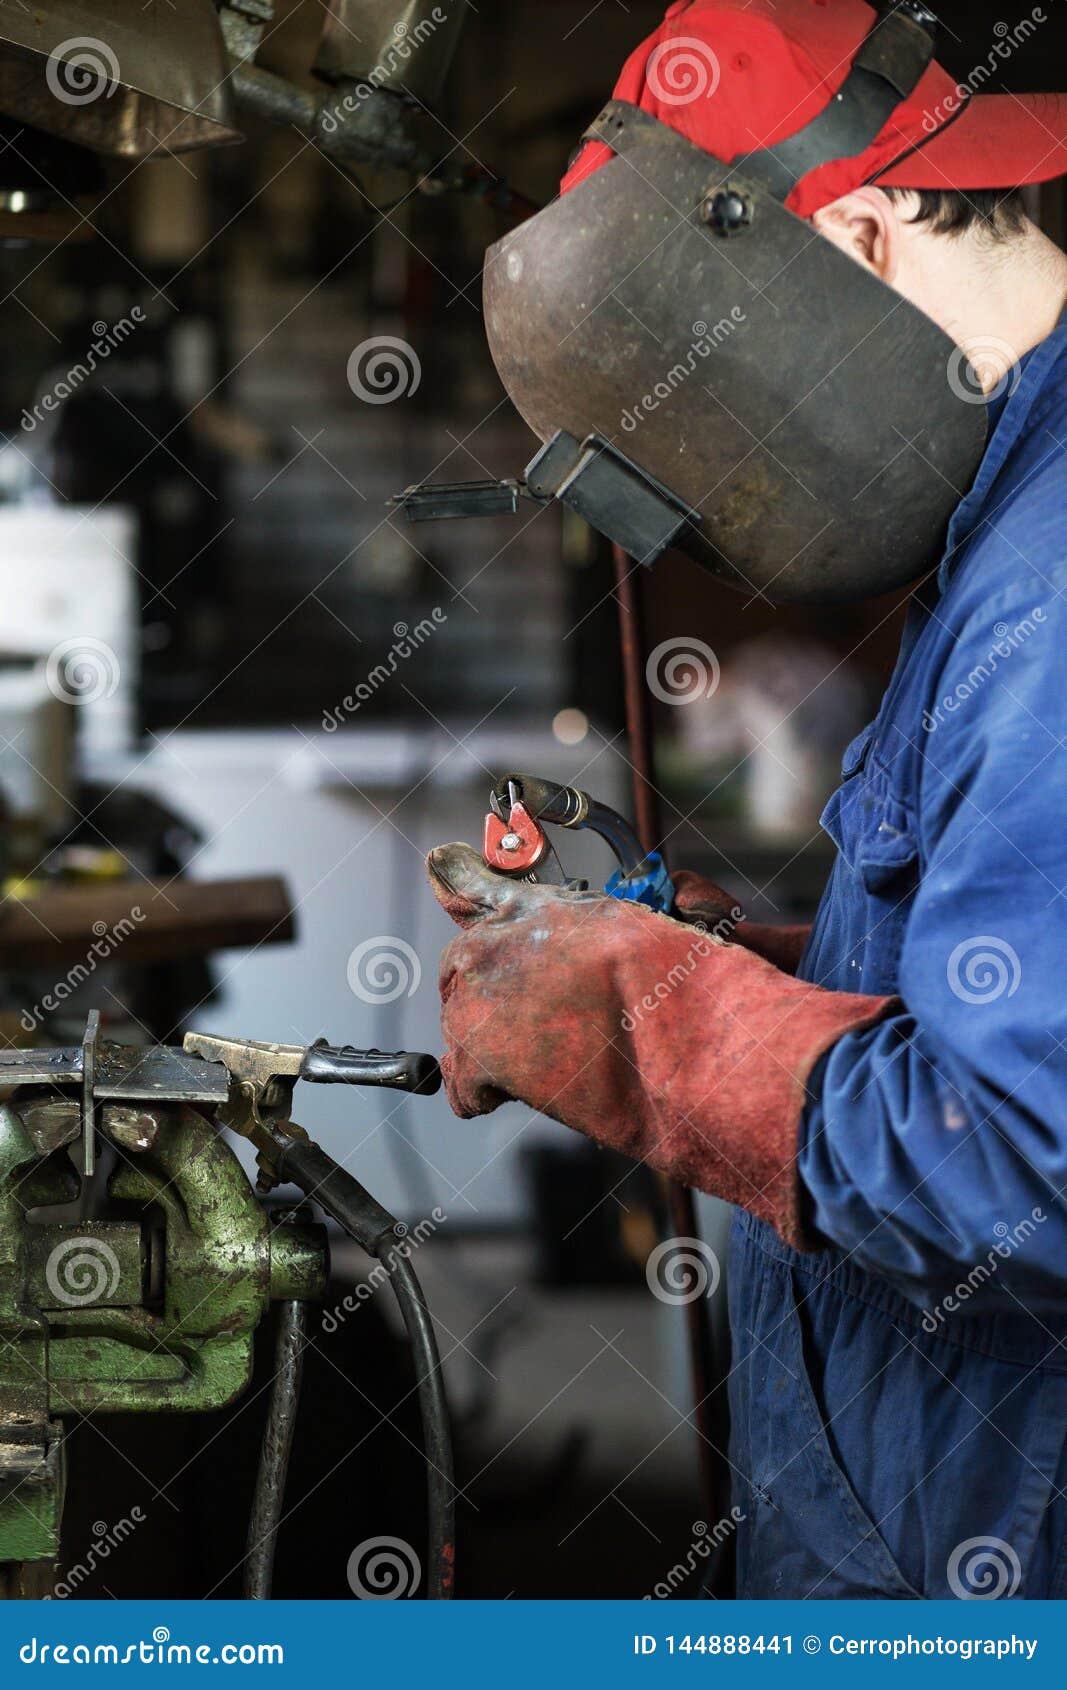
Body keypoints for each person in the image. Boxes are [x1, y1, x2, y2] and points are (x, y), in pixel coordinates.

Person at [428, 0, 1067, 1599]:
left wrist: (656, 1029)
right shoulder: (1008, 526)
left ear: (861, 230)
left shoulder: (1054, 585)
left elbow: (1026, 1159)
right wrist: (726, 970)